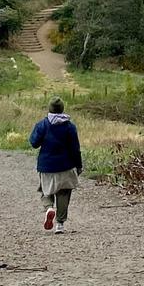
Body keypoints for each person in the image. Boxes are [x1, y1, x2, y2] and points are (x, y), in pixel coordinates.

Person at [29, 97, 82, 234]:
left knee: (45, 190)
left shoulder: (43, 124)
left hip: (46, 166)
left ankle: (49, 208)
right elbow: (75, 149)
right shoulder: (70, 126)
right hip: (66, 166)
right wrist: (79, 165)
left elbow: (34, 143)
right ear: (62, 109)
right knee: (64, 193)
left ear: (50, 109)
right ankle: (60, 224)